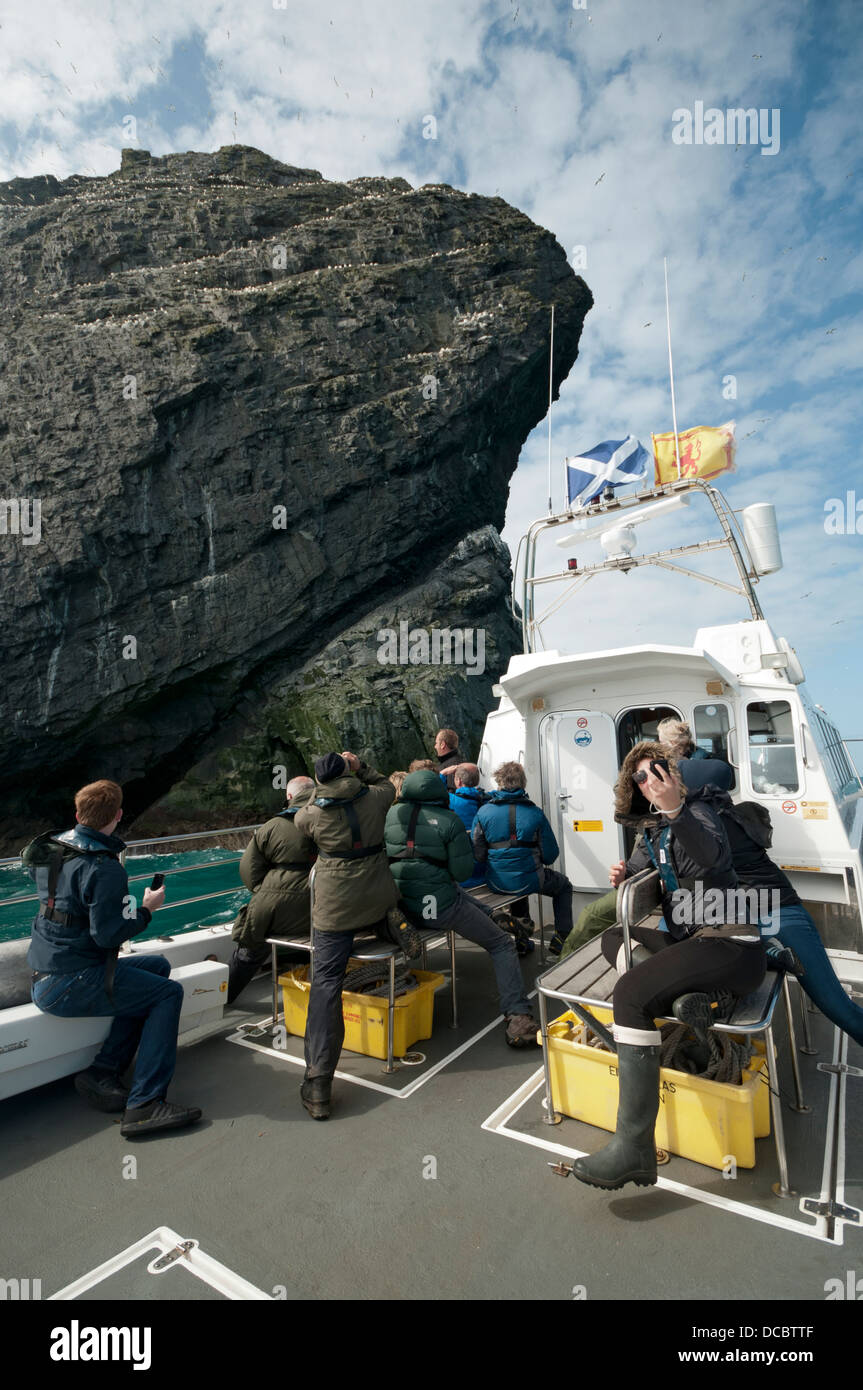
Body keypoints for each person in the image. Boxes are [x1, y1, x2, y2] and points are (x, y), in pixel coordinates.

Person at [571, 743, 765, 1191]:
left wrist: (676, 807)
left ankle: (634, 1148)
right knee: (613, 937)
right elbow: (644, 870)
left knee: (630, 995)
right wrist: (625, 874)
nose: (650, 781)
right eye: (640, 777)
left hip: (731, 945)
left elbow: (713, 858)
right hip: (697, 945)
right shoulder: (654, 830)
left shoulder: (698, 813)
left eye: (657, 770)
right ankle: (692, 999)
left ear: (674, 774)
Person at [22, 779, 202, 1137]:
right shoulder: (104, 868)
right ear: (118, 816)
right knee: (167, 994)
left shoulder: (53, 852)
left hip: (48, 971)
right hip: (68, 982)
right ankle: (146, 1104)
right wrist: (146, 909)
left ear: (77, 814)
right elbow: (108, 934)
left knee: (158, 967)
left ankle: (103, 1070)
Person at [384, 769, 539, 1047]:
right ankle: (517, 1014)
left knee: (445, 886)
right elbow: (462, 870)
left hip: (404, 904)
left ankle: (491, 915)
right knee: (501, 944)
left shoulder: (391, 817)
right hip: (442, 908)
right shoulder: (449, 821)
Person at [294, 751, 398, 1119]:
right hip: (376, 894)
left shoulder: (312, 813)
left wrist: (319, 787)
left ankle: (319, 1081)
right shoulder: (375, 798)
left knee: (326, 983)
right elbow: (387, 783)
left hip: (336, 906)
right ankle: (395, 927)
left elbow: (301, 811)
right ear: (349, 771)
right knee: (384, 913)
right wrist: (361, 767)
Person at [226, 776, 316, 1005]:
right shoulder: (333, 819)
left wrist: (267, 889)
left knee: (252, 942)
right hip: (324, 903)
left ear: (289, 797)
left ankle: (225, 999)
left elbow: (248, 870)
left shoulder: (272, 827)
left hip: (276, 907)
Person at [472, 762, 574, 956]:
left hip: (497, 881)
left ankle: (522, 941)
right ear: (523, 783)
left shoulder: (483, 812)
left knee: (516, 883)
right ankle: (562, 937)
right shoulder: (535, 813)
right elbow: (551, 854)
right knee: (563, 886)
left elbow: (478, 854)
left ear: (499, 783)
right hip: (529, 879)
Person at [657, 717, 734, 792]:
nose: (660, 746)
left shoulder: (701, 759)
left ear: (673, 744)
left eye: (662, 742)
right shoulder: (682, 757)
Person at [448, 764, 487, 888]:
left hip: (462, 876)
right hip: (484, 871)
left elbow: (429, 789)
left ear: (458, 781)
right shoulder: (487, 800)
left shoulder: (450, 800)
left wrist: (443, 773)